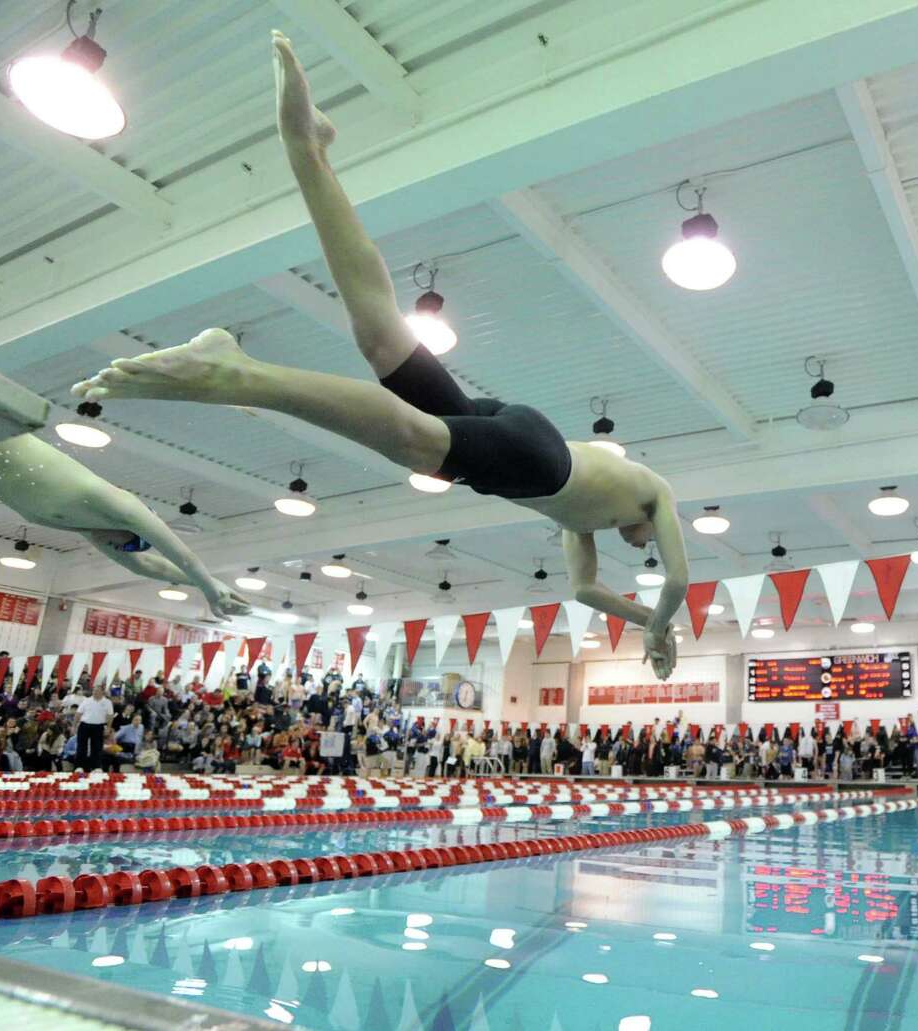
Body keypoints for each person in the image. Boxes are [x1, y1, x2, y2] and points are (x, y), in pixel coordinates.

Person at [72, 31, 690, 679]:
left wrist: (641, 623)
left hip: (524, 438)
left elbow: (582, 590)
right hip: (538, 458)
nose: (642, 547)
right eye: (647, 544)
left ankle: (308, 150)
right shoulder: (654, 494)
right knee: (418, 443)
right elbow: (677, 577)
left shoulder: (584, 521)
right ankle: (238, 374)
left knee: (385, 340)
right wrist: (660, 623)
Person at [0, 433, 251, 622]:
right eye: (124, 546)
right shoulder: (115, 503)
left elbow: (145, 565)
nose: (115, 551)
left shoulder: (81, 525)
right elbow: (178, 553)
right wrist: (209, 585)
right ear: (128, 530)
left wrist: (207, 584)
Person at [77, 682, 113, 771]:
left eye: (97, 691)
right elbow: (78, 713)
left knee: (97, 747)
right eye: (94, 690)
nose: (95, 692)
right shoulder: (86, 700)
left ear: (102, 692)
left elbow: (110, 716)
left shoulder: (107, 702)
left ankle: (96, 767)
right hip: (84, 725)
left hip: (98, 726)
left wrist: (108, 728)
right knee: (81, 746)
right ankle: (79, 766)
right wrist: (74, 726)